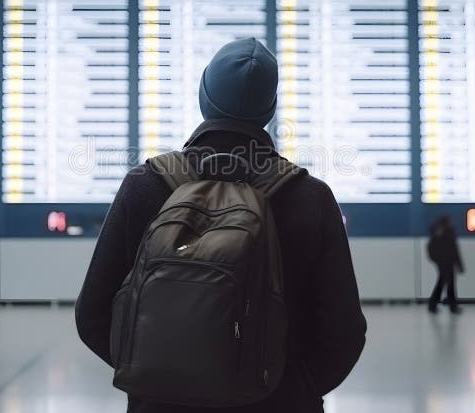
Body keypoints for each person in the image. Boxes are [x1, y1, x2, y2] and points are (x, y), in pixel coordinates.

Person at [75, 38, 367, 413]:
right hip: (279, 401)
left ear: (204, 98)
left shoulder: (145, 186)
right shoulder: (310, 197)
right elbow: (343, 331)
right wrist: (295, 387)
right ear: (270, 110)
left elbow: (92, 314)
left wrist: (154, 376)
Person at [427, 215, 464, 314]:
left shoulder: (436, 233)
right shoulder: (448, 233)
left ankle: (433, 305)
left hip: (442, 262)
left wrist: (436, 260)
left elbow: (431, 248)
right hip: (448, 262)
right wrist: (459, 264)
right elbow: (454, 250)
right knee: (449, 284)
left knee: (442, 283)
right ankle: (452, 306)